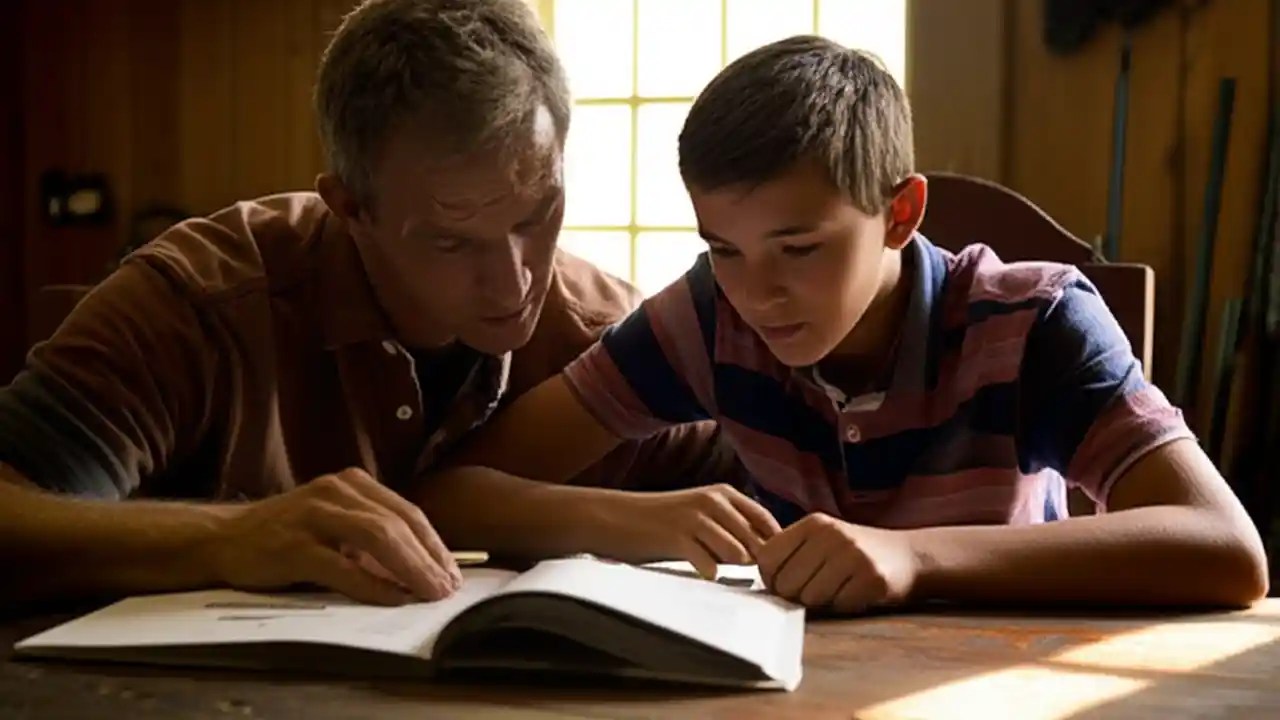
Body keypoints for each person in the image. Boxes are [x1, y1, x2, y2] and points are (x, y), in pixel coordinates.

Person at [421, 35, 1270, 612]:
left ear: (900, 214)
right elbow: (449, 495)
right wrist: (636, 521)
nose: (759, 295)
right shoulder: (708, 317)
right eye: (726, 248)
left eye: (799, 248)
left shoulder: (1034, 324)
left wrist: (916, 557)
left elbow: (1227, 550)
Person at [0, 0, 738, 610]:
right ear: (348, 206)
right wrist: (226, 538)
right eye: (452, 243)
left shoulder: (599, 332)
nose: (513, 283)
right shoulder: (205, 302)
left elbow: (781, 486)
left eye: (534, 216)